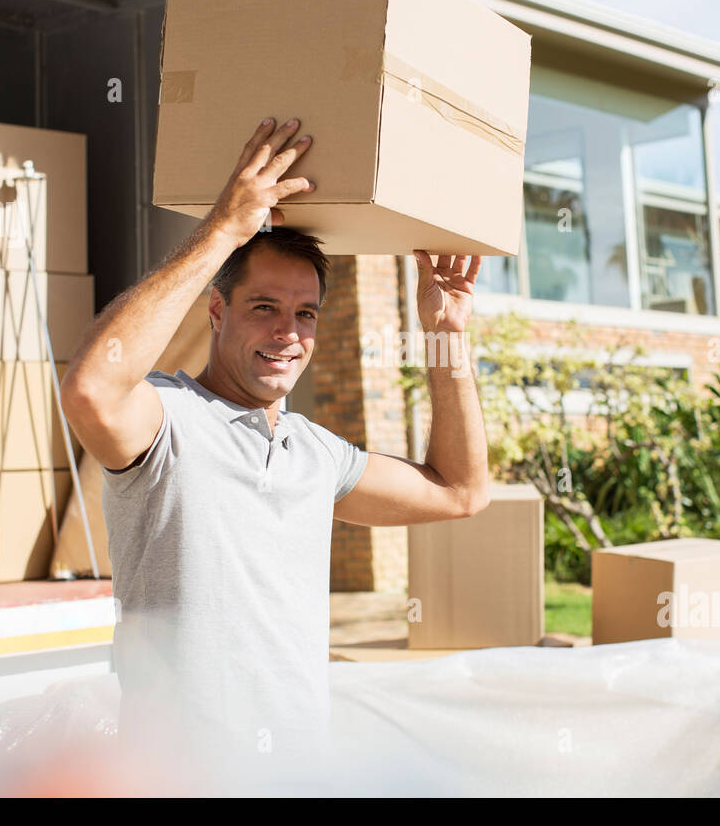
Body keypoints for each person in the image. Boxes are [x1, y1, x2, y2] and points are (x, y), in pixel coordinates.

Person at [60, 116, 492, 790]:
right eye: (263, 307)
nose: (287, 333)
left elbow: (461, 491)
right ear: (216, 312)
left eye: (306, 314)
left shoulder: (314, 454)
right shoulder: (169, 421)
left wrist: (445, 335)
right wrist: (224, 229)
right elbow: (91, 386)